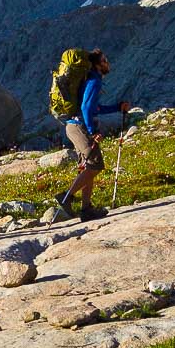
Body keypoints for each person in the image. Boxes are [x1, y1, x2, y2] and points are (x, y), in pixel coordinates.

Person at [57, 49, 129, 220]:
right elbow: (86, 108)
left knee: (90, 166)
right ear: (97, 65)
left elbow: (94, 108)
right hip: (80, 128)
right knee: (95, 164)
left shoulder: (89, 79)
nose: (107, 63)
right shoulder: (94, 81)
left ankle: (86, 209)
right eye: (104, 61)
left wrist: (116, 107)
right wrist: (92, 131)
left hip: (74, 126)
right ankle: (66, 197)